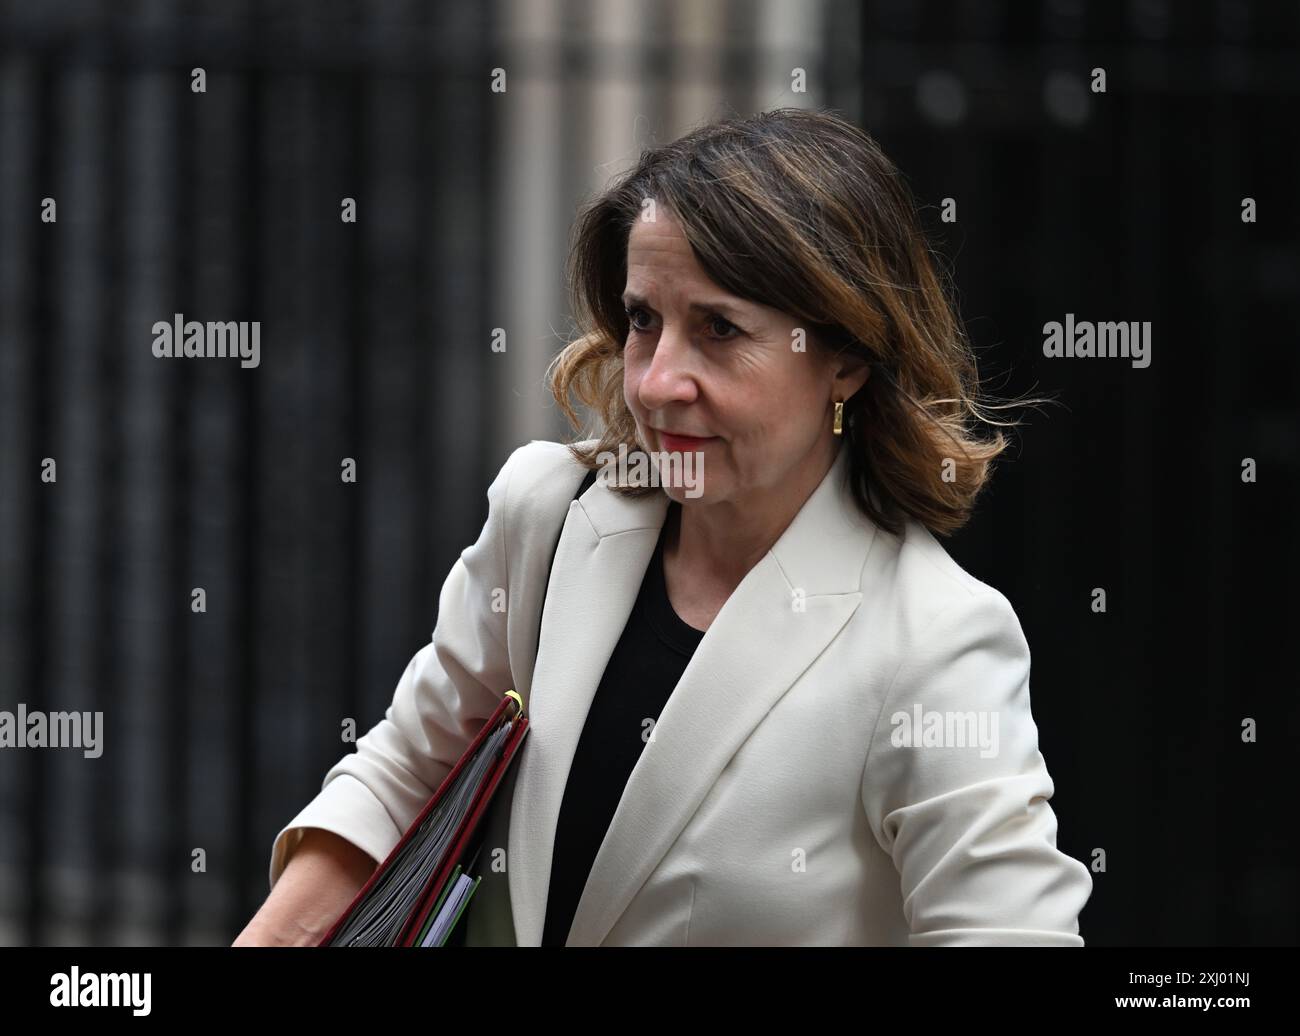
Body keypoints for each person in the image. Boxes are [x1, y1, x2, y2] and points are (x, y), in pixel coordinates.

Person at [235, 107, 1091, 947]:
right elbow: (404, 777)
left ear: (847, 361)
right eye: (644, 320)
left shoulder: (935, 639)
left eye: (720, 329)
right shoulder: (550, 514)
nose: (655, 382)